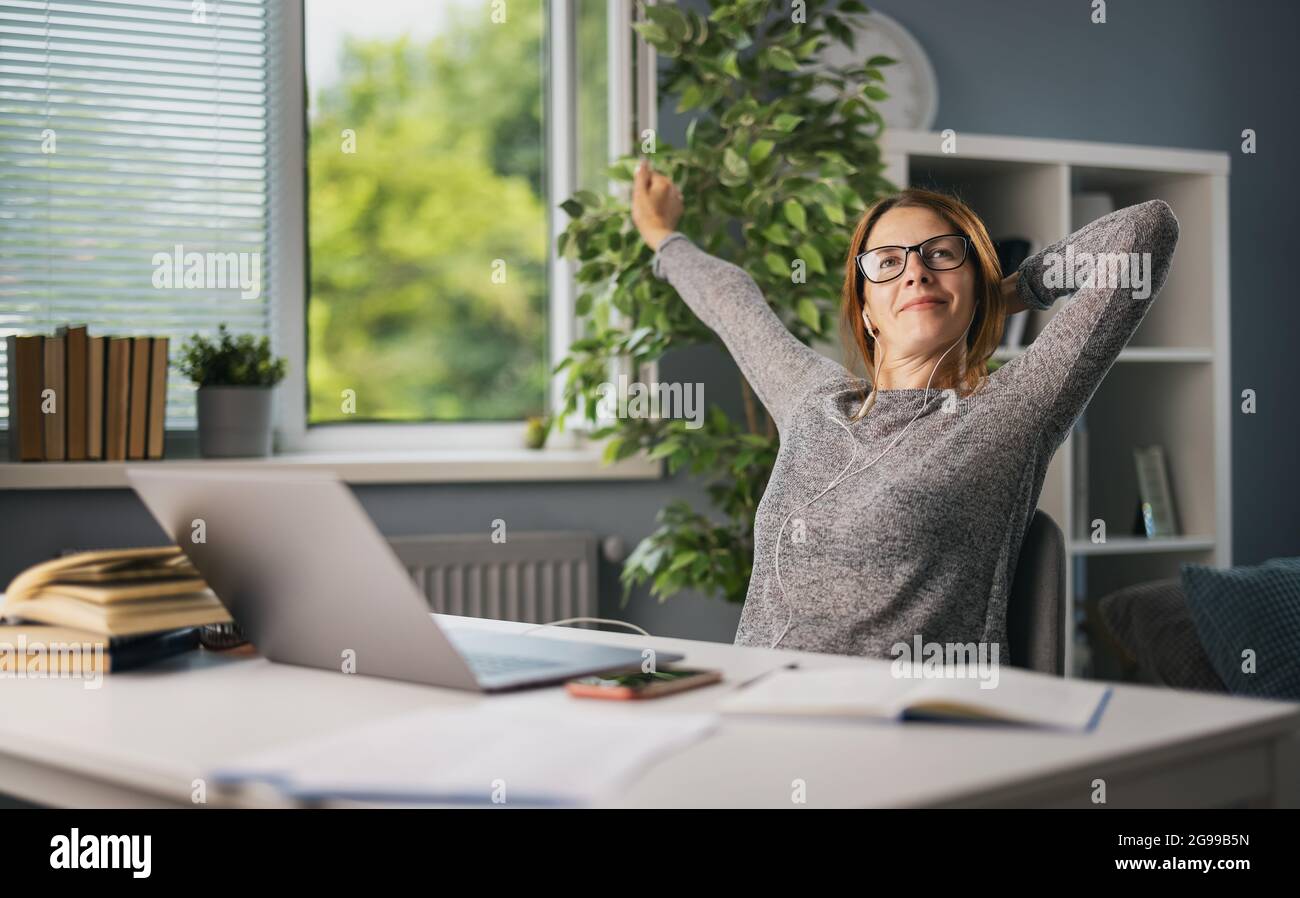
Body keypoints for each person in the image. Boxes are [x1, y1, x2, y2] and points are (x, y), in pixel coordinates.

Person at [631, 158, 1180, 659]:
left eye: (941, 254)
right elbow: (735, 304)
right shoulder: (815, 403)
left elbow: (1144, 232)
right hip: (758, 710)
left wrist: (1010, 290)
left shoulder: (1008, 414)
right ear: (866, 310)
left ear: (976, 279)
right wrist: (661, 235)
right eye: (888, 263)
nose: (915, 272)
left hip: (906, 731)